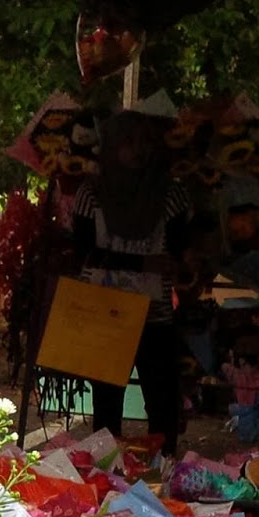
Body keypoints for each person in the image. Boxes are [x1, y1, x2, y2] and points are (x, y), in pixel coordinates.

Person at [72, 112, 192, 447]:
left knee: (161, 402)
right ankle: (104, 476)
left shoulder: (171, 195)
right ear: (112, 146)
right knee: (107, 405)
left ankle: (163, 473)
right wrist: (142, 262)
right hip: (103, 312)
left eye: (145, 142)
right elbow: (83, 254)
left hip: (155, 315)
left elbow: (179, 252)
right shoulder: (91, 193)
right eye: (128, 142)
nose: (138, 150)